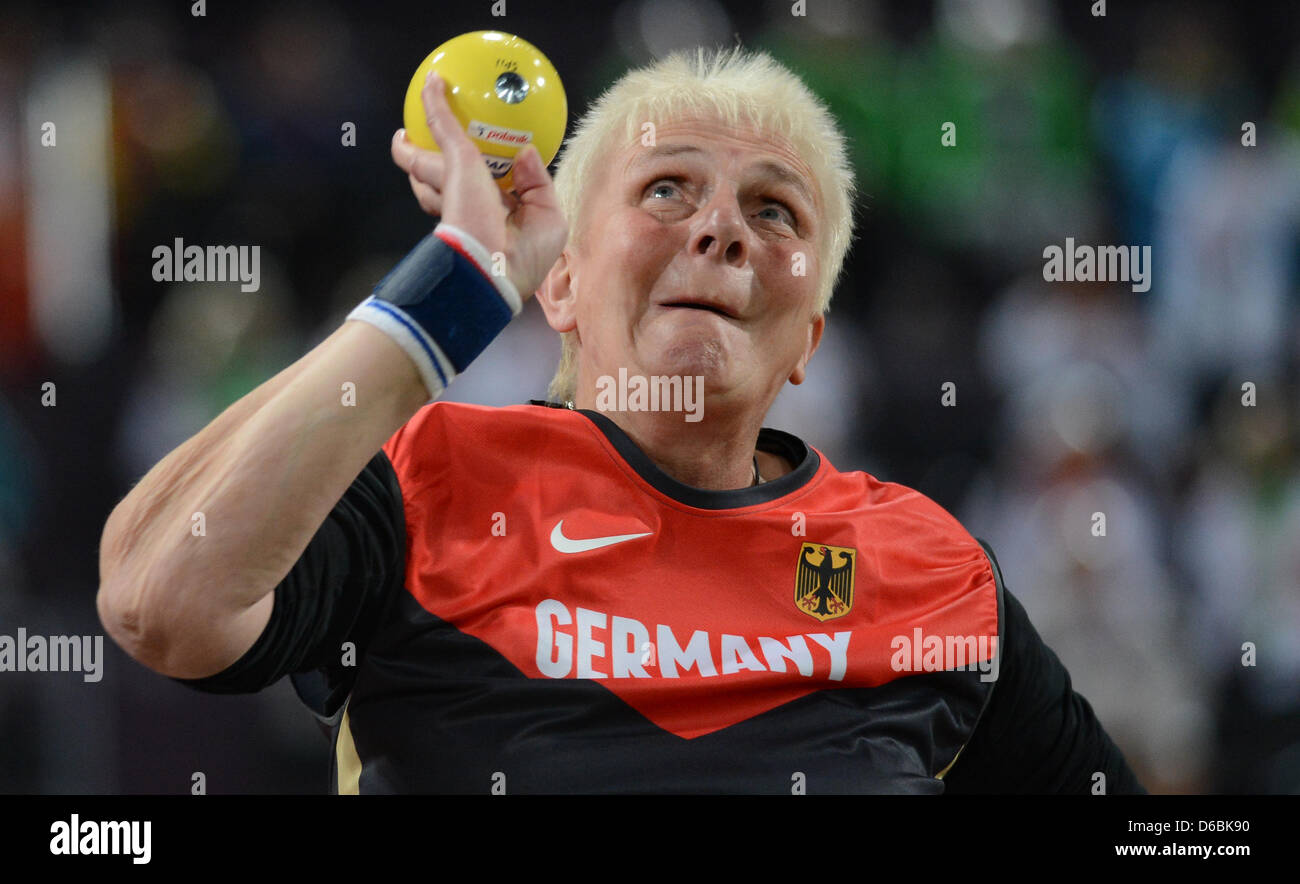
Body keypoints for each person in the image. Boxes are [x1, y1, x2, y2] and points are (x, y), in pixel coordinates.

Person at [97, 46, 1145, 794]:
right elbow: (159, 599)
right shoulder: (435, 482)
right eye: (666, 190)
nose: (722, 229)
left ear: (808, 342)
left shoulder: (931, 568)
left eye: (772, 210)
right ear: (559, 284)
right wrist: (449, 290)